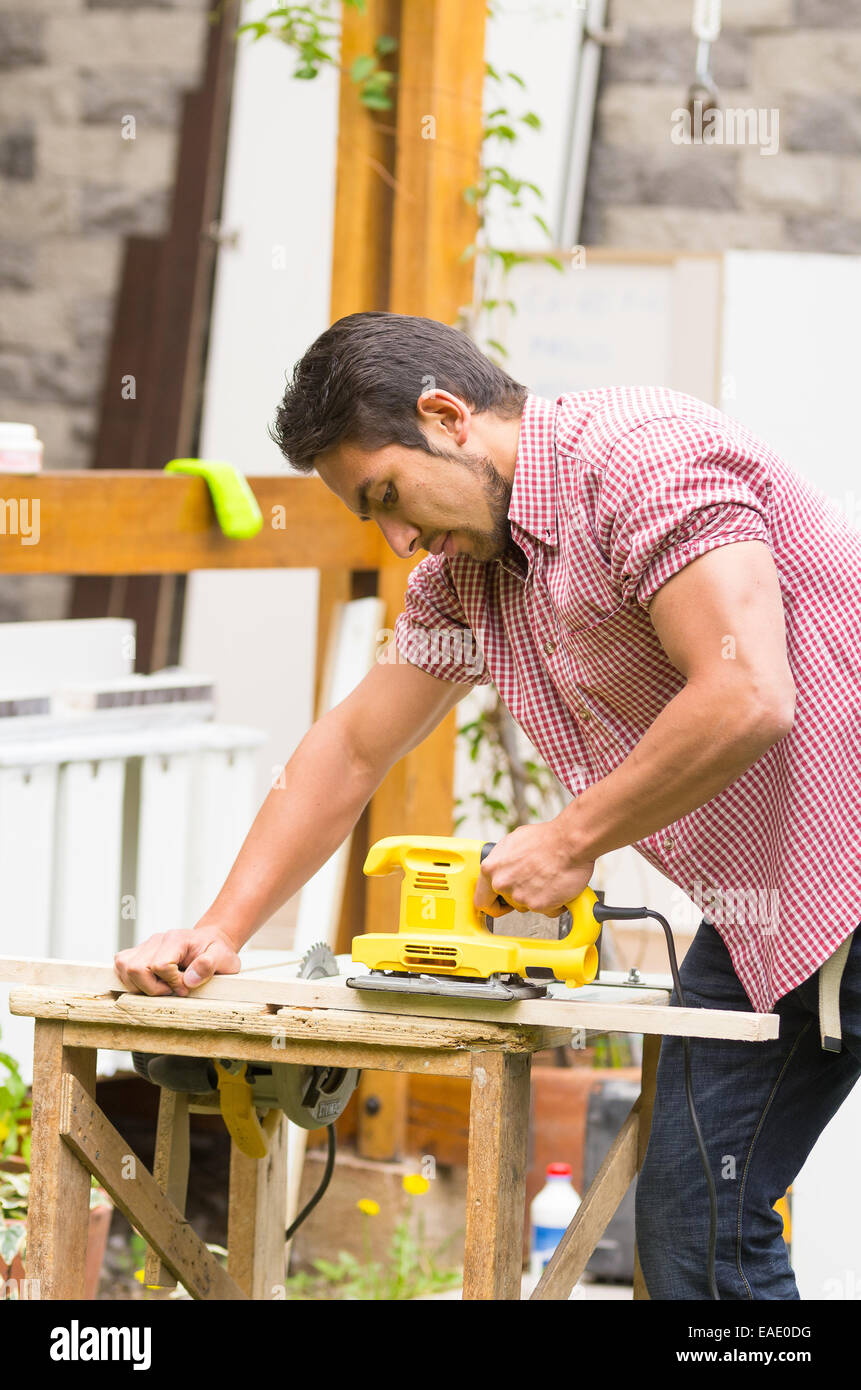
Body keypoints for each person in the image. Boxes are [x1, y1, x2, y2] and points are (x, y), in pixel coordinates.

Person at [115, 311, 861, 1299]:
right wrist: (222, 930)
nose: (396, 536)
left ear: (446, 415)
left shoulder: (644, 460)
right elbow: (351, 745)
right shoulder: (467, 578)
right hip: (781, 906)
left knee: (704, 1222)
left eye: (386, 493)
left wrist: (571, 835)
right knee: (695, 1224)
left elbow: (747, 694)